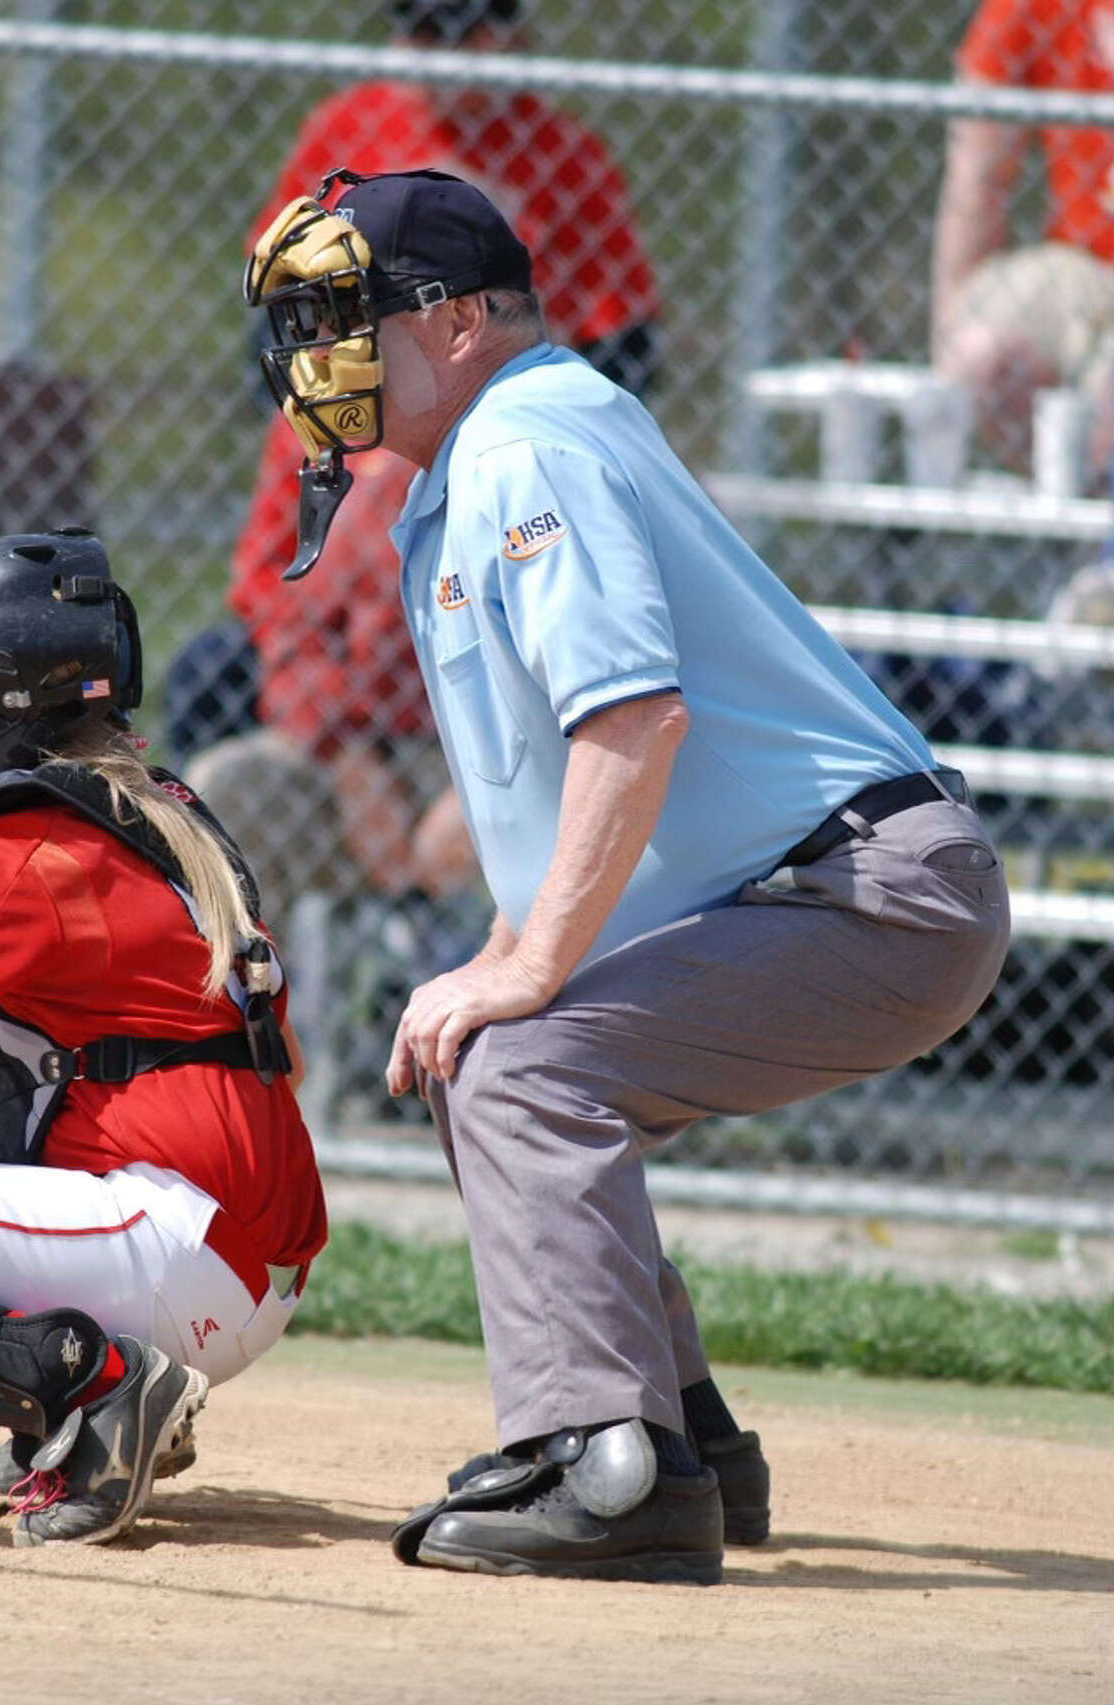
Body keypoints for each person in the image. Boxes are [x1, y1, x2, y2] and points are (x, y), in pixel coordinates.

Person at [244, 170, 1012, 1583]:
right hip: (812, 889)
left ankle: (616, 1466)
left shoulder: (529, 439)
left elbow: (633, 720)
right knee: (494, 1050)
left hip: (868, 893)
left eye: (348, 314)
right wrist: (502, 963)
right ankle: (685, 1435)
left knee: (526, 1066)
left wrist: (529, 973)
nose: (316, 355)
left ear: (464, 320)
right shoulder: (466, 471)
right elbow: (557, 801)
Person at [173, 0, 662, 948]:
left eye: (461, 30)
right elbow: (277, 592)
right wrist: (346, 748)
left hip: (480, 679)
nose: (433, 56)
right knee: (207, 679)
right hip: (357, 693)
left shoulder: (532, 455)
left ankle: (446, 942)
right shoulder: (320, 422)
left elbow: (631, 345)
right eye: (418, 30)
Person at [0, 528, 326, 1547]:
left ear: (25, 698)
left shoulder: (17, 848)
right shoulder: (120, 804)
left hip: (182, 1246)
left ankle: (90, 1384)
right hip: (213, 1243)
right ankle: (37, 1414)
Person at [931, 0, 1114, 481]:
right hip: (1082, 272)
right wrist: (949, 333)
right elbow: (978, 177)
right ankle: (1080, 521)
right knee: (975, 349)